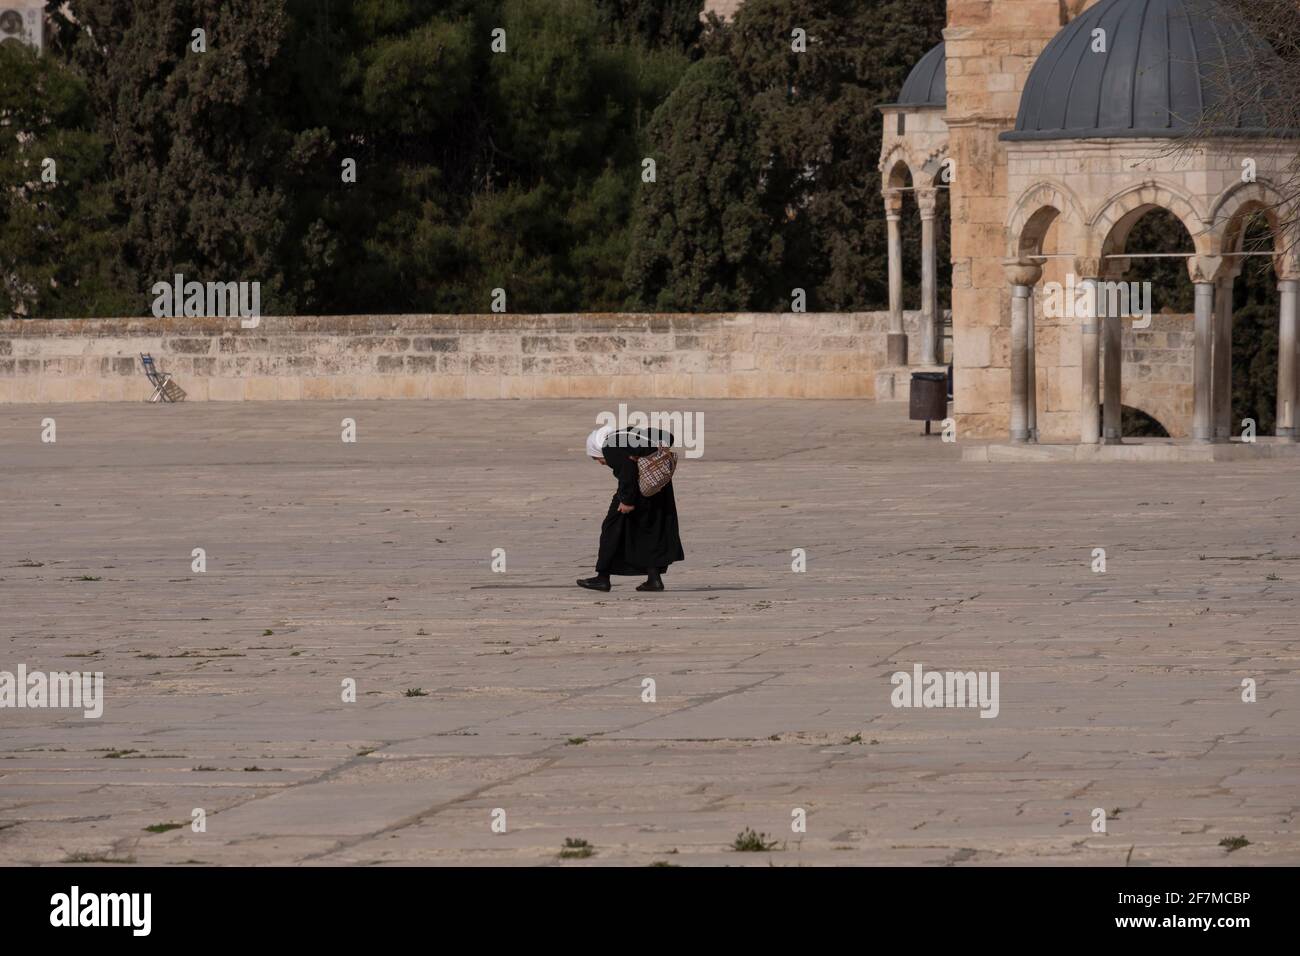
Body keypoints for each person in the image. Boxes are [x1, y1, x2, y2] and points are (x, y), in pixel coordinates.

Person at [578, 424, 684, 592]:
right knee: (648, 530)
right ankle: (654, 579)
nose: (599, 462)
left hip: (636, 491)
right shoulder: (627, 435)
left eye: (595, 458)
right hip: (658, 489)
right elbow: (668, 436)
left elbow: (627, 473)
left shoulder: (609, 447)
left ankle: (602, 577)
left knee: (612, 528)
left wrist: (627, 501)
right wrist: (649, 453)